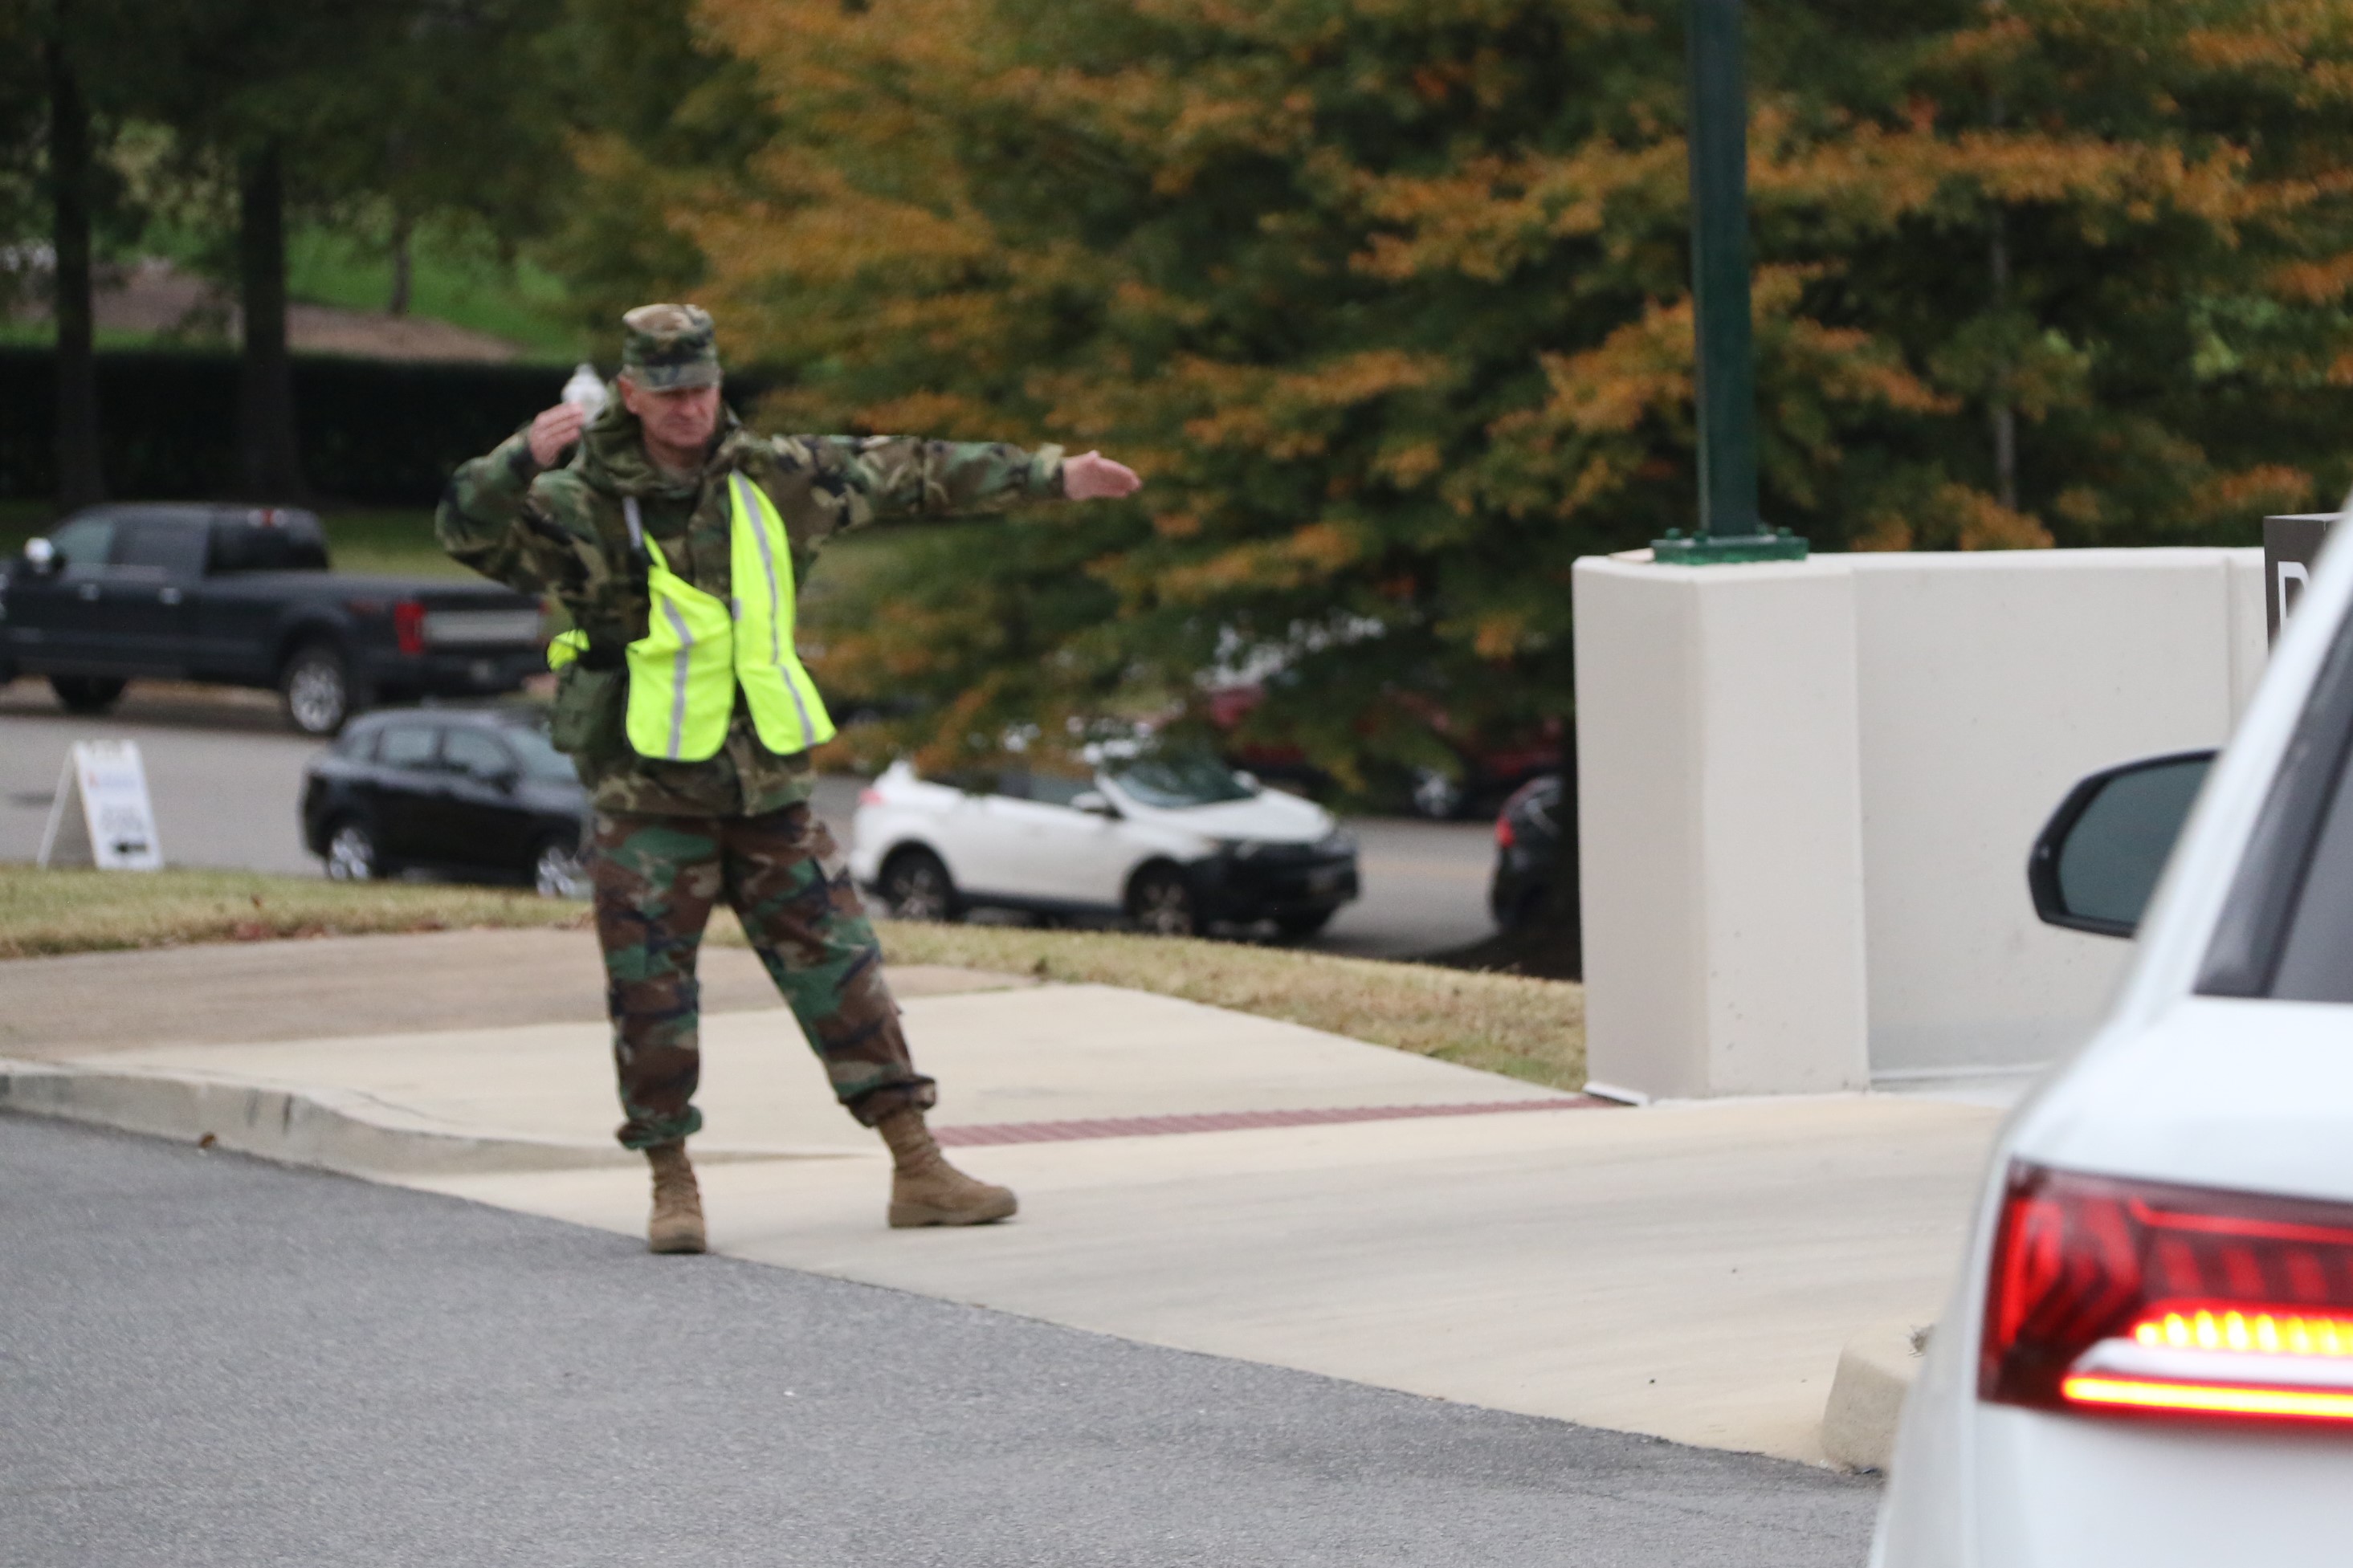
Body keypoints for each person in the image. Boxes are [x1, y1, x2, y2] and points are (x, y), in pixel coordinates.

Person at [437, 303, 1140, 1253]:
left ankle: (917, 1165)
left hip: (766, 790)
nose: (690, 408)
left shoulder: (777, 474)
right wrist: (520, 455)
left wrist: (1056, 476)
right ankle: (671, 1182)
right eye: (671, 392)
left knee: (846, 974)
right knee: (651, 998)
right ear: (633, 393)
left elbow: (912, 471)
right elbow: (467, 531)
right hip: (647, 800)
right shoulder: (582, 503)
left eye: (704, 387)